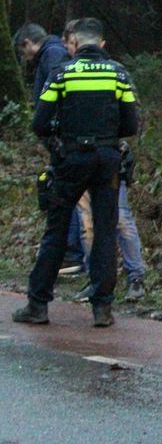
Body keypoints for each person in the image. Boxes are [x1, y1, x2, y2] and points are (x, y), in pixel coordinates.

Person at [12, 18, 139, 327]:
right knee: (106, 230)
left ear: (75, 43)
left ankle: (38, 304)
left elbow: (39, 123)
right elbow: (131, 126)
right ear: (102, 43)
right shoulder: (118, 74)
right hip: (108, 159)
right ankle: (102, 308)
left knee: (56, 231)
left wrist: (63, 133)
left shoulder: (62, 74)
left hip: (71, 159)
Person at [60, 19, 148, 302]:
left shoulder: (116, 72)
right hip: (79, 155)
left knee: (119, 218)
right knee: (86, 223)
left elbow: (133, 113)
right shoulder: (67, 72)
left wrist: (117, 140)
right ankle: (95, 279)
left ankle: (136, 277)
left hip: (111, 155)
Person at [11, 23, 85, 276]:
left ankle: (71, 254)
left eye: (24, 52)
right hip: (64, 139)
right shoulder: (53, 53)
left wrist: (50, 129)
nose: (25, 57)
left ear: (28, 44)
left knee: (65, 195)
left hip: (64, 141)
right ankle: (70, 253)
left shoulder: (52, 55)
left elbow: (58, 96)